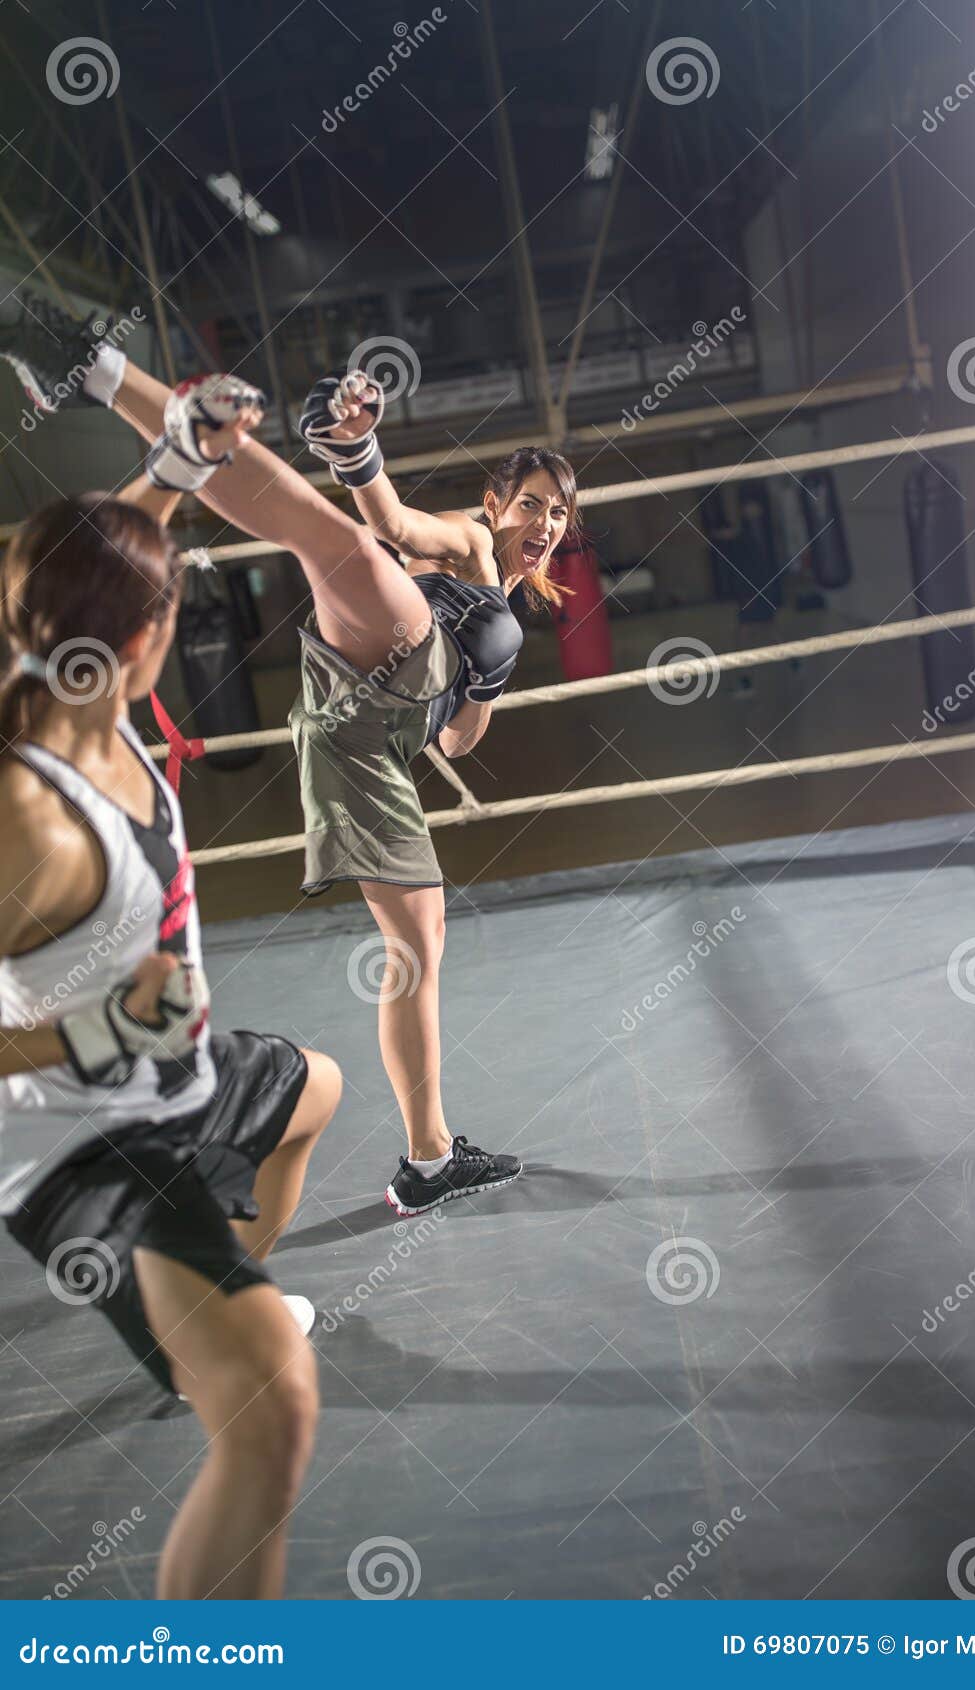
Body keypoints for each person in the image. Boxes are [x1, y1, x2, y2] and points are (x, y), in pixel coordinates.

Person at [0, 301, 577, 1216]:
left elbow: (459, 742)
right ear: (498, 506)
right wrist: (355, 449)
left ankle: (427, 1161)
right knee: (334, 535)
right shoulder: (467, 542)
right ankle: (99, 371)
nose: (544, 524)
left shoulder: (510, 613)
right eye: (531, 505)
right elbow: (389, 522)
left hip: (377, 738)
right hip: (385, 663)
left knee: (418, 945)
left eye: (559, 513)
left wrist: (484, 687)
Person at [0, 420, 343, 1599]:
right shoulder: (28, 818)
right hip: (78, 1141)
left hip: (168, 1079)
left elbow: (82, 566)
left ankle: (191, 1321)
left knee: (317, 1090)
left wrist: (181, 463)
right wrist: (99, 1031)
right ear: (151, 646)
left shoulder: (86, 689)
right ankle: (209, 1342)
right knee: (275, 1404)